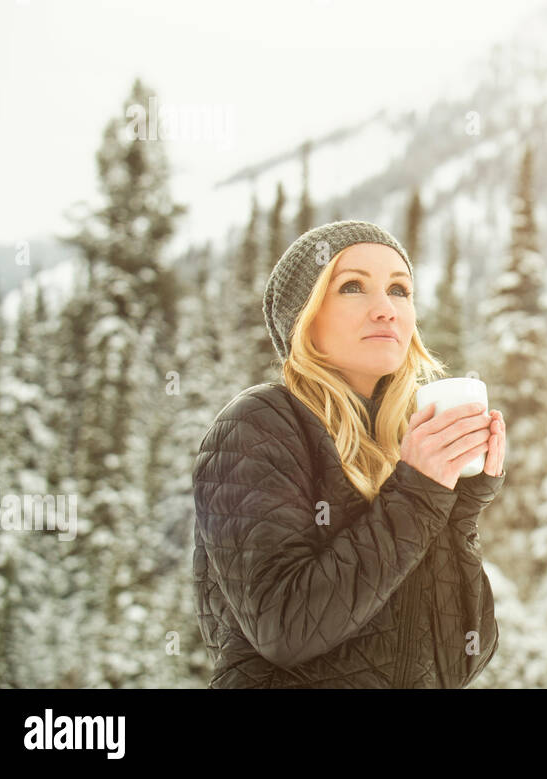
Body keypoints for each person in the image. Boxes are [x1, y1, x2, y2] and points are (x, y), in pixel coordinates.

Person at [192, 219, 506, 688]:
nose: (386, 309)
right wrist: (419, 494)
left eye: (400, 290)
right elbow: (283, 628)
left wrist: (458, 506)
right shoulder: (260, 424)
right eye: (354, 287)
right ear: (306, 317)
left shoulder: (403, 450)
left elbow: (461, 659)